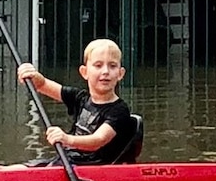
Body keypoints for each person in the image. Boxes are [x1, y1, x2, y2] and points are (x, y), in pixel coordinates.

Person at [10, 38, 140, 166]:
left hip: (88, 168)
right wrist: (33, 76)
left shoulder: (119, 110)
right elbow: (43, 84)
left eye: (112, 66)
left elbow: (98, 140)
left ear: (120, 74)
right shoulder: (80, 98)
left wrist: (67, 139)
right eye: (98, 65)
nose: (105, 71)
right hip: (67, 161)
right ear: (84, 72)